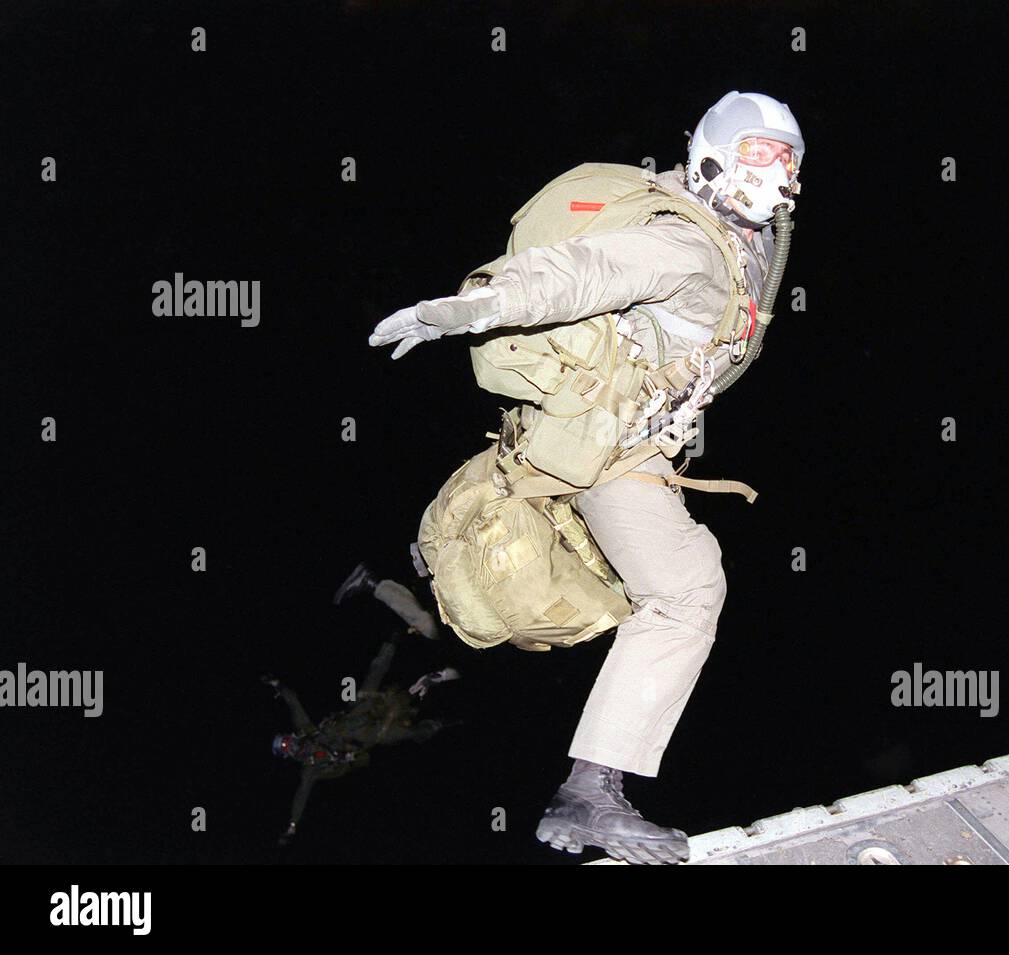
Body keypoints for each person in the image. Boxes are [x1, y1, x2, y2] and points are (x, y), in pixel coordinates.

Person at [369, 91, 804, 864]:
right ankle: (590, 795)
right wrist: (474, 306)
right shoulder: (690, 243)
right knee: (688, 588)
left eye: (790, 160)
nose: (781, 174)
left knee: (593, 586)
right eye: (762, 154)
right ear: (714, 152)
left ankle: (445, 546)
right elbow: (590, 268)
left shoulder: (738, 247)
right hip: (610, 451)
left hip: (618, 447)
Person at [267, 565, 460, 844]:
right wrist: (293, 825)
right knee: (406, 734)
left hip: (356, 716)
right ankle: (443, 721)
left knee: (373, 676)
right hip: (367, 737)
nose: (289, 744)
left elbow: (294, 704)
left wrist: (278, 687)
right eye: (285, 747)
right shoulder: (310, 768)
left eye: (286, 740)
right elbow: (301, 796)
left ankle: (395, 636)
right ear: (288, 754)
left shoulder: (307, 731)